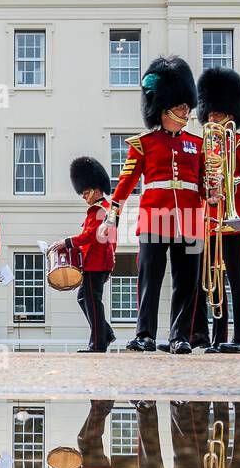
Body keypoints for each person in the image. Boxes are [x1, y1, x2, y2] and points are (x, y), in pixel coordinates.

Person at [107, 56, 207, 355]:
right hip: (155, 215)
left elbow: (202, 184)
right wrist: (113, 211)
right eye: (180, 107)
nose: (186, 112)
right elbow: (127, 179)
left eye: (187, 107)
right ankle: (145, 333)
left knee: (186, 282)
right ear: (163, 109)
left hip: (189, 216)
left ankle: (180, 337)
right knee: (149, 278)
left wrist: (213, 189)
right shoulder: (144, 143)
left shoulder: (197, 143)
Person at [197, 67, 240, 354]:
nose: (211, 117)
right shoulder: (206, 148)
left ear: (230, 112)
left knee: (237, 277)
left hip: (236, 220)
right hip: (211, 220)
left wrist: (232, 180)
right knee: (214, 281)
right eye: (209, 112)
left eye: (217, 111)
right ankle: (218, 337)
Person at [62, 156, 116, 352]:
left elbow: (90, 236)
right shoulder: (99, 210)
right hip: (95, 262)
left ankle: (98, 344)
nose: (84, 197)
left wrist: (65, 242)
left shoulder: (102, 210)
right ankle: (105, 333)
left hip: (97, 262)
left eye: (85, 193)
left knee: (92, 301)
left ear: (95, 190)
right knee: (84, 298)